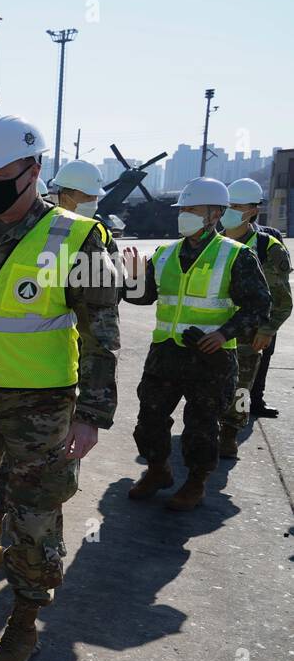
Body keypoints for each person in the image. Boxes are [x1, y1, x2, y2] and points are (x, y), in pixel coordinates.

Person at [0, 115, 121, 661]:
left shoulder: (77, 237)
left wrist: (92, 416)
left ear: (34, 170)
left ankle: (25, 616)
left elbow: (102, 335)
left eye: (2, 172)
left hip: (40, 405)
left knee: (35, 516)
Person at [122, 177, 270, 509]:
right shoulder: (165, 253)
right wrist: (132, 277)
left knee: (202, 425)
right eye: (182, 209)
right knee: (150, 418)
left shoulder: (235, 255)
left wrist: (223, 334)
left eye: (192, 209)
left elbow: (259, 305)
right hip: (165, 353)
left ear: (215, 214)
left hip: (210, 356)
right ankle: (158, 470)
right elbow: (144, 297)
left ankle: (195, 483)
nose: (183, 214)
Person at [217, 177, 291, 457]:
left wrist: (268, 329)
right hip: (213, 327)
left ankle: (230, 432)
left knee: (242, 389)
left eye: (237, 206)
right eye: (227, 205)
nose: (229, 211)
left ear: (252, 211)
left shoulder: (267, 247)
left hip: (248, 334)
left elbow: (282, 298)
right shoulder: (212, 241)